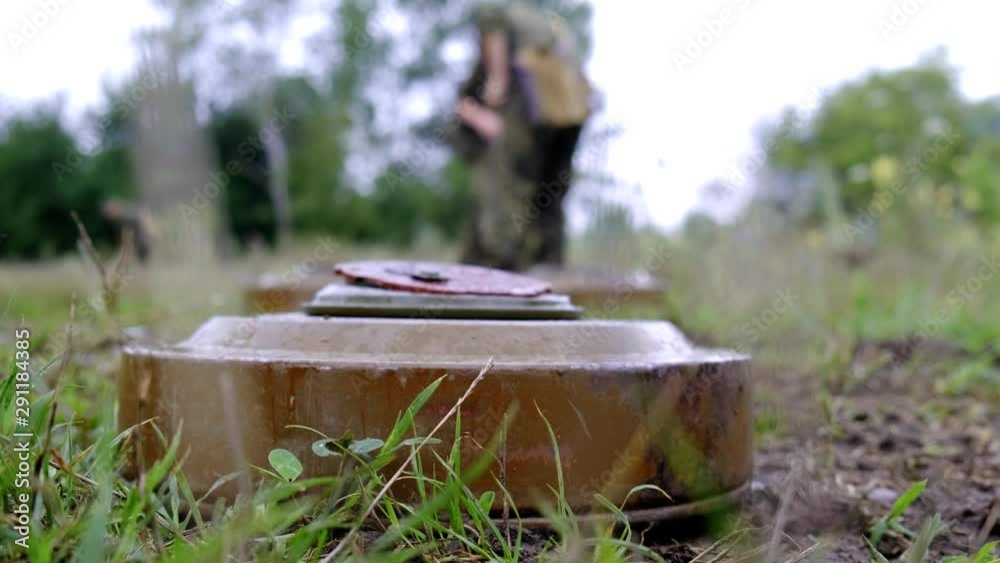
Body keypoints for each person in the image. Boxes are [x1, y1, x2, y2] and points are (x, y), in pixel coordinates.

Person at [452, 1, 591, 271]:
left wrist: (496, 87)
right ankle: (550, 266)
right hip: (572, 108)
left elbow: (496, 77)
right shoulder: (551, 22)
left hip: (530, 103)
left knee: (508, 188)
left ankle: (499, 269)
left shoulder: (498, 11)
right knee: (551, 191)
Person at [101, 198, 152, 263]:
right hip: (134, 245)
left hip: (141, 243)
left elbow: (139, 226)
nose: (108, 216)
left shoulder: (127, 217)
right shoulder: (117, 221)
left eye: (109, 212)